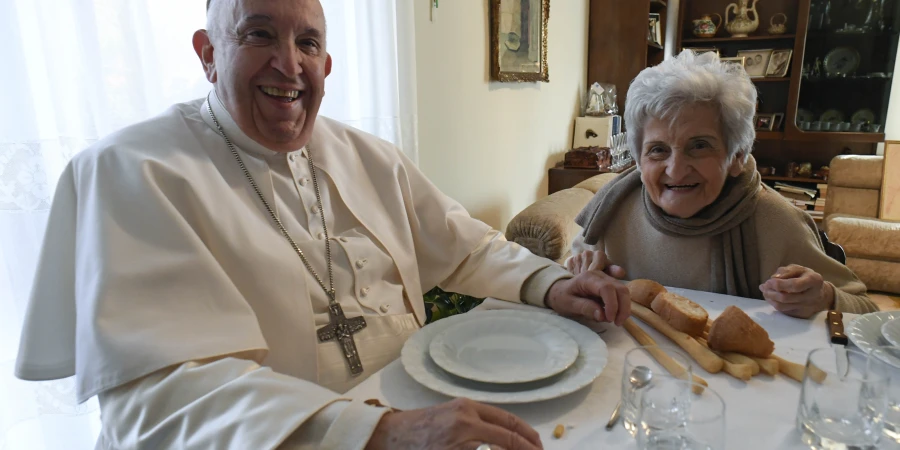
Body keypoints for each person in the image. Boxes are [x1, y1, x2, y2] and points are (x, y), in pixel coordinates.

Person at [14, 0, 632, 448]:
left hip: (423, 414)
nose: (289, 65)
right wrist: (375, 432)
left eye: (307, 43)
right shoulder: (131, 172)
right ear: (207, 54)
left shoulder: (367, 154)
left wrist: (550, 284)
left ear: (327, 63)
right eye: (260, 34)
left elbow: (462, 244)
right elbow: (158, 401)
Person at [567, 50, 877, 318]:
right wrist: (580, 275)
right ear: (638, 158)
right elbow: (571, 279)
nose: (676, 170)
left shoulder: (776, 221)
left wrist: (823, 297)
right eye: (658, 150)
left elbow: (865, 309)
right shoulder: (613, 209)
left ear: (737, 155)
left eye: (699, 146)